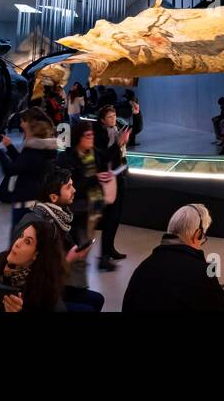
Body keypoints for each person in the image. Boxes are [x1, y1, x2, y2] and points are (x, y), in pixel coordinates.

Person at [15, 165, 105, 312]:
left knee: (97, 299)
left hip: (53, 286)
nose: (74, 190)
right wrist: (68, 259)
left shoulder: (58, 217)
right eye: (69, 187)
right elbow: (34, 275)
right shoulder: (38, 225)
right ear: (53, 197)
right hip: (36, 296)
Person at [121, 204, 224, 312]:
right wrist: (213, 286)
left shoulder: (144, 266)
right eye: (203, 237)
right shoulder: (201, 272)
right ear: (197, 235)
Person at [0, 221, 66, 313]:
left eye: (27, 242)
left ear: (36, 255)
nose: (17, 243)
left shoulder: (44, 291)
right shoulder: (0, 260)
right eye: (21, 236)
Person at [58, 122, 109, 275]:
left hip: (92, 207)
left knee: (86, 242)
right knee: (78, 244)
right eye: (88, 135)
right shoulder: (67, 158)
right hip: (76, 209)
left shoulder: (95, 154)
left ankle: (77, 269)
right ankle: (72, 274)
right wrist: (94, 178)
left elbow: (106, 161)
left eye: (92, 135)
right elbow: (72, 188)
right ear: (79, 137)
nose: (91, 138)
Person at [0, 108, 60, 228]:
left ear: (30, 124)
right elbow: (23, 163)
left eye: (22, 121)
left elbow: (12, 170)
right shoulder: (44, 145)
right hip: (37, 198)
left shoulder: (34, 149)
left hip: (26, 200)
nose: (20, 124)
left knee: (19, 235)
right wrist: (10, 147)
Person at [93, 105, 130, 271]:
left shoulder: (116, 130)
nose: (113, 119)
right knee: (110, 217)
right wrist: (118, 144)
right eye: (109, 117)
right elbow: (103, 159)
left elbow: (134, 130)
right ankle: (104, 257)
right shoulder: (100, 135)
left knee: (117, 216)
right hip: (108, 181)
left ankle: (110, 249)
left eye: (114, 115)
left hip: (119, 176)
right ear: (102, 120)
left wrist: (136, 114)